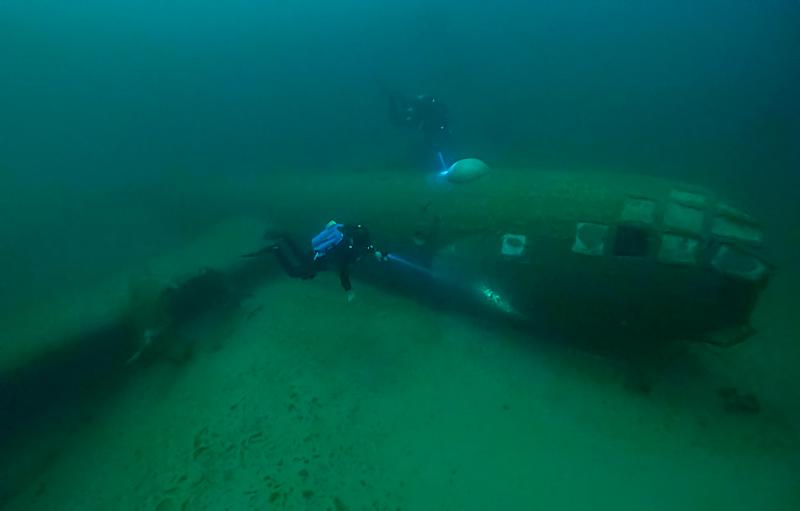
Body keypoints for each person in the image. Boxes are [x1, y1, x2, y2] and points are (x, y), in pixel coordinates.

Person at [244, 221, 388, 294]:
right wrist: (348, 289)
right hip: (318, 262)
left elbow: (367, 249)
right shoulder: (351, 250)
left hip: (317, 254)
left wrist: (377, 253)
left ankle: (286, 238)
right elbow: (343, 271)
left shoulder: (352, 242)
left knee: (300, 255)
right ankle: (276, 250)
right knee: (293, 272)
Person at [388, 92, 450, 167]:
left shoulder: (434, 118)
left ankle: (394, 97)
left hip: (429, 122)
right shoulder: (426, 114)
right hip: (427, 121)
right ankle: (394, 97)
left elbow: (429, 130)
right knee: (398, 121)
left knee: (399, 121)